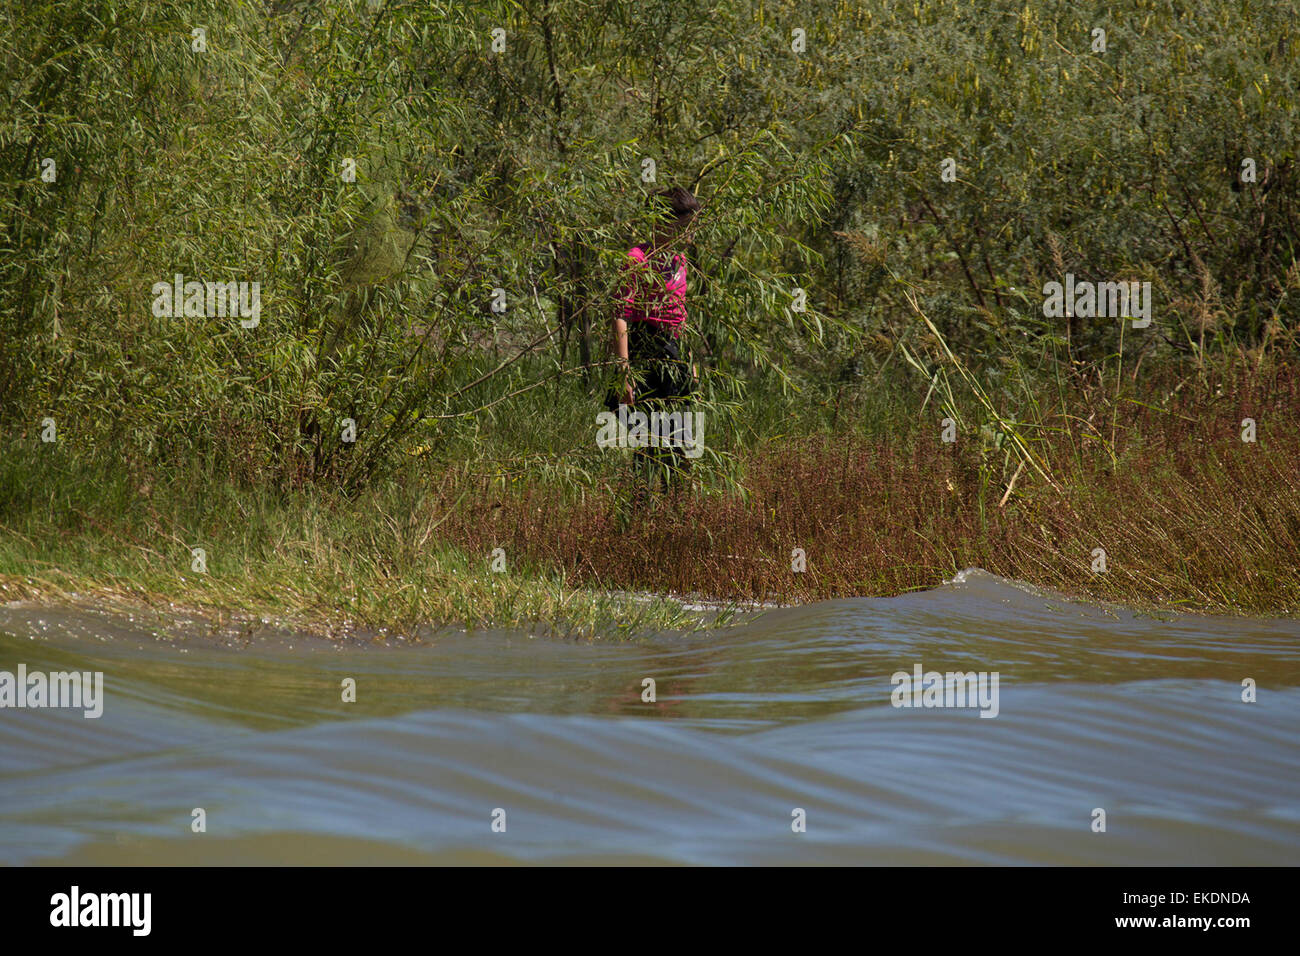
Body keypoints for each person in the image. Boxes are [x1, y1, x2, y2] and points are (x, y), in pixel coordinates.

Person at [609, 186, 702, 495]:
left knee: (684, 444)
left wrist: (690, 364)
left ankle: (676, 514)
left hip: (675, 355)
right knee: (649, 445)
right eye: (684, 228)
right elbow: (621, 313)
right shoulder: (636, 259)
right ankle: (639, 518)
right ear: (662, 222)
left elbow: (681, 315)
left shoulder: (679, 261)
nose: (690, 235)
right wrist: (625, 374)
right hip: (646, 352)